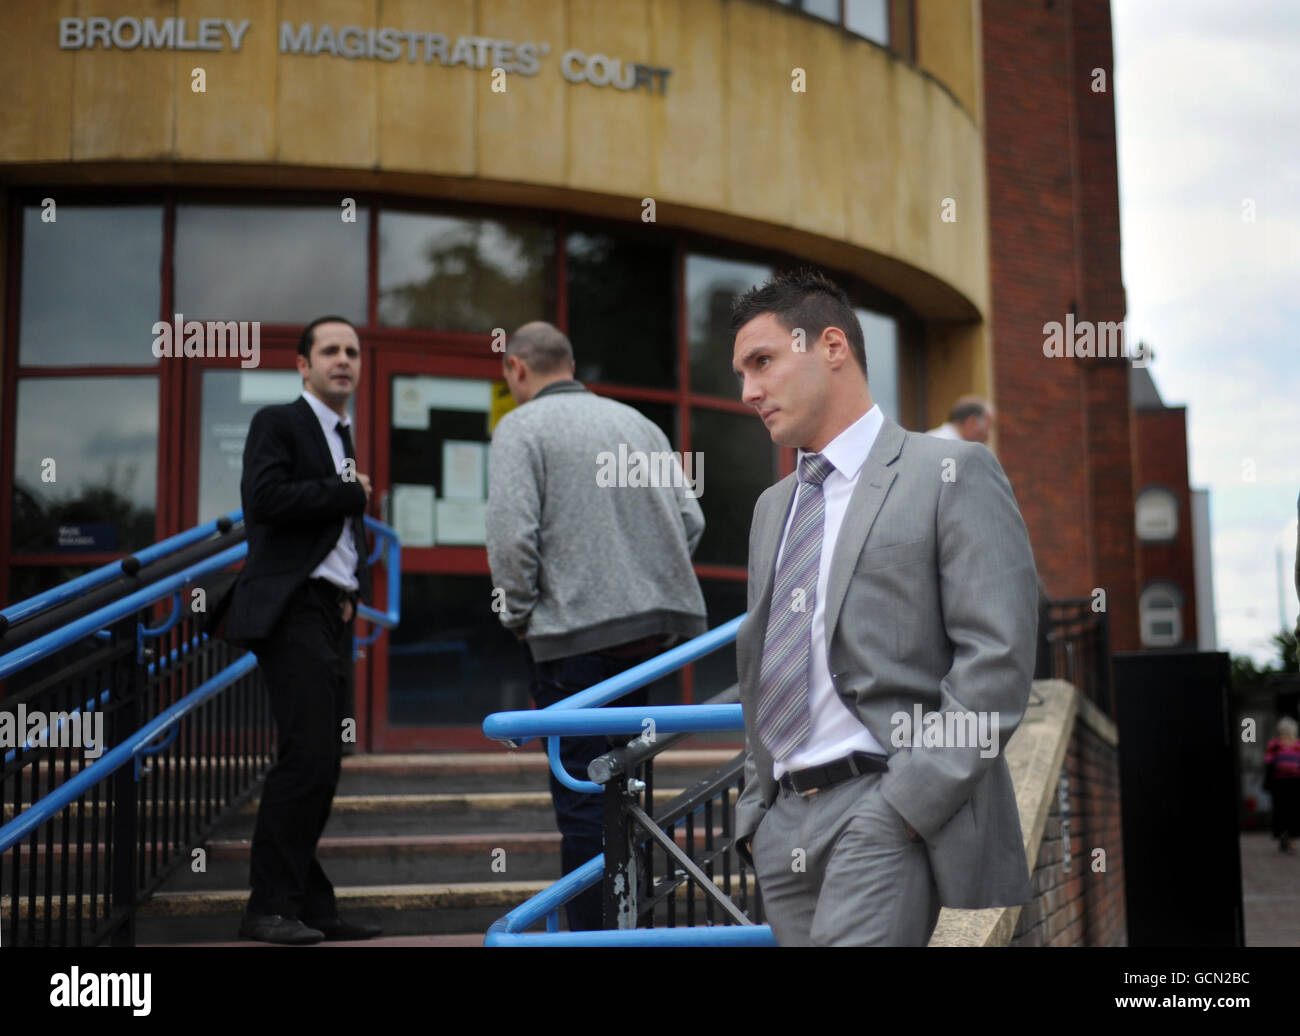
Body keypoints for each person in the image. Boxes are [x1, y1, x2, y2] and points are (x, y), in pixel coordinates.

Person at [729, 270, 1039, 946]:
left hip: (881, 804)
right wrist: (756, 814)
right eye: (743, 372)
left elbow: (998, 659)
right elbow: (767, 665)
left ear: (831, 346)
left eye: (763, 362)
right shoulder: (771, 509)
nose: (748, 391)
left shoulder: (949, 472)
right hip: (784, 829)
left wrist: (905, 805)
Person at [486, 321, 707, 931]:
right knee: (627, 794)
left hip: (571, 643)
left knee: (585, 801)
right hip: (644, 642)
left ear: (518, 370)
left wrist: (519, 614)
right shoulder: (639, 425)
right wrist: (640, 580)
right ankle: (630, 927)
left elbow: (512, 540)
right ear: (571, 363)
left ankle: (593, 937)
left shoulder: (521, 427)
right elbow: (689, 521)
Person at [216, 315, 382, 944]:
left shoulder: (344, 436)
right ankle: (267, 909)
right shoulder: (278, 422)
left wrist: (351, 594)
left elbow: (336, 536)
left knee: (324, 761)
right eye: (330, 351)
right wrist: (346, 492)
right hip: (290, 610)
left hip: (332, 612)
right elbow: (263, 501)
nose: (344, 360)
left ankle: (310, 905)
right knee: (306, 757)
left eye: (353, 352)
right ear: (303, 365)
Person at [1264, 716, 1300, 853]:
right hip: (1295, 783)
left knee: (1281, 810)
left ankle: (1284, 835)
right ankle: (1290, 838)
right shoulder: (1297, 745)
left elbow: (1268, 763)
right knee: (1294, 811)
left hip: (1280, 783)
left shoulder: (1274, 745)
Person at [928, 395, 995, 444]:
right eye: (988, 427)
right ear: (972, 422)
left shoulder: (930, 439)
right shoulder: (947, 446)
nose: (989, 435)